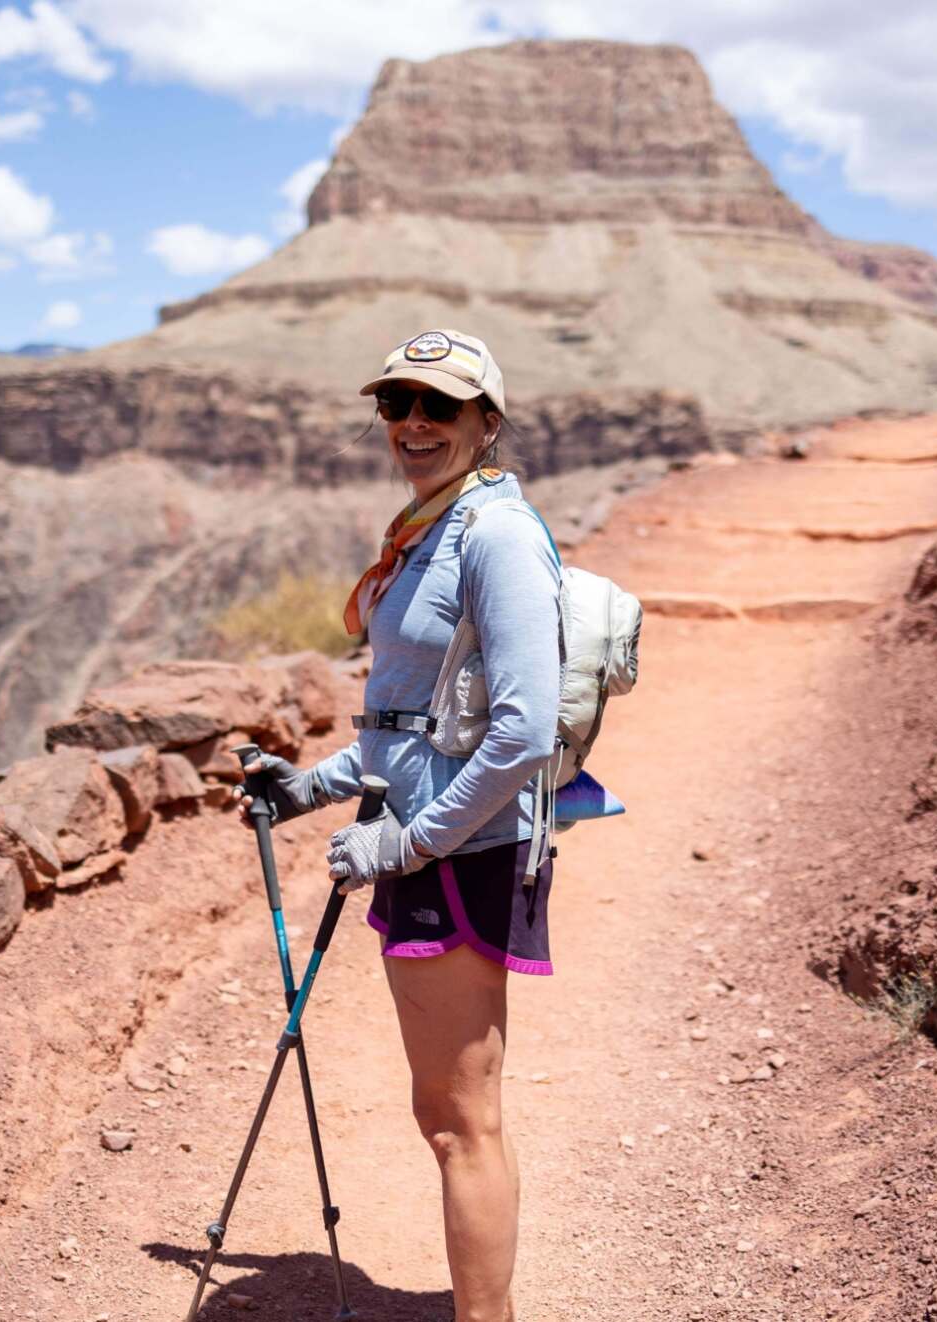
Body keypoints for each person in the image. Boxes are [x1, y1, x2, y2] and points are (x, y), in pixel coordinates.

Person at [242, 328, 560, 1322]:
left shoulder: (493, 533)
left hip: (458, 850)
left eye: (439, 407)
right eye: (396, 405)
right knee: (449, 1112)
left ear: (486, 422)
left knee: (463, 1118)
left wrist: (405, 840)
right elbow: (411, 722)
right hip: (434, 836)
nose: (413, 424)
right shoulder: (432, 524)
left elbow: (523, 729)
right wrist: (314, 786)